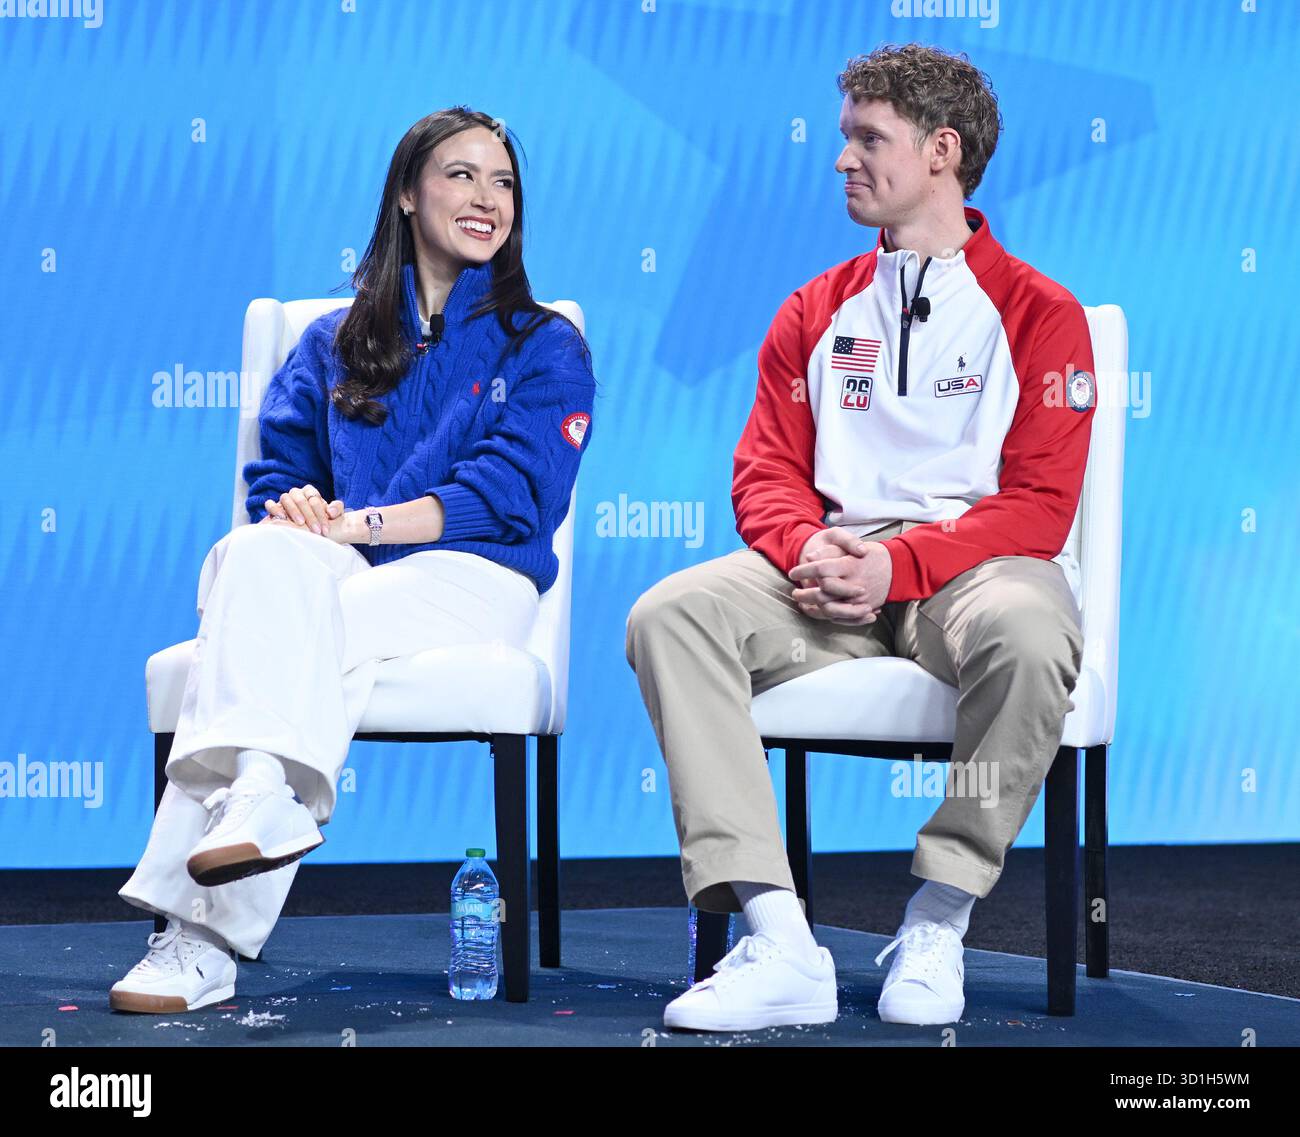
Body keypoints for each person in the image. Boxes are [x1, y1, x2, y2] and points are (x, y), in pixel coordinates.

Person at [626, 43, 1096, 1032]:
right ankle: (777, 934)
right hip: (824, 570)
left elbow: (1040, 504)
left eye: (865, 139)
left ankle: (937, 917)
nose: (840, 158)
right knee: (670, 615)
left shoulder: (1040, 313)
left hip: (972, 568)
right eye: (844, 137)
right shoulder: (812, 308)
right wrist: (805, 546)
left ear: (941, 151)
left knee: (1032, 630)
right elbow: (764, 472)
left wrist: (900, 562)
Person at [110, 107, 596, 1013]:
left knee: (275, 629)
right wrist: (293, 509)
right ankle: (264, 795)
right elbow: (281, 477)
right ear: (409, 194)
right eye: (460, 175)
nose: (486, 199)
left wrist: (359, 526)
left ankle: (198, 935)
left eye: (503, 182)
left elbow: (510, 496)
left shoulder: (547, 344)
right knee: (254, 551)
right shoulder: (330, 341)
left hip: (475, 580)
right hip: (346, 572)